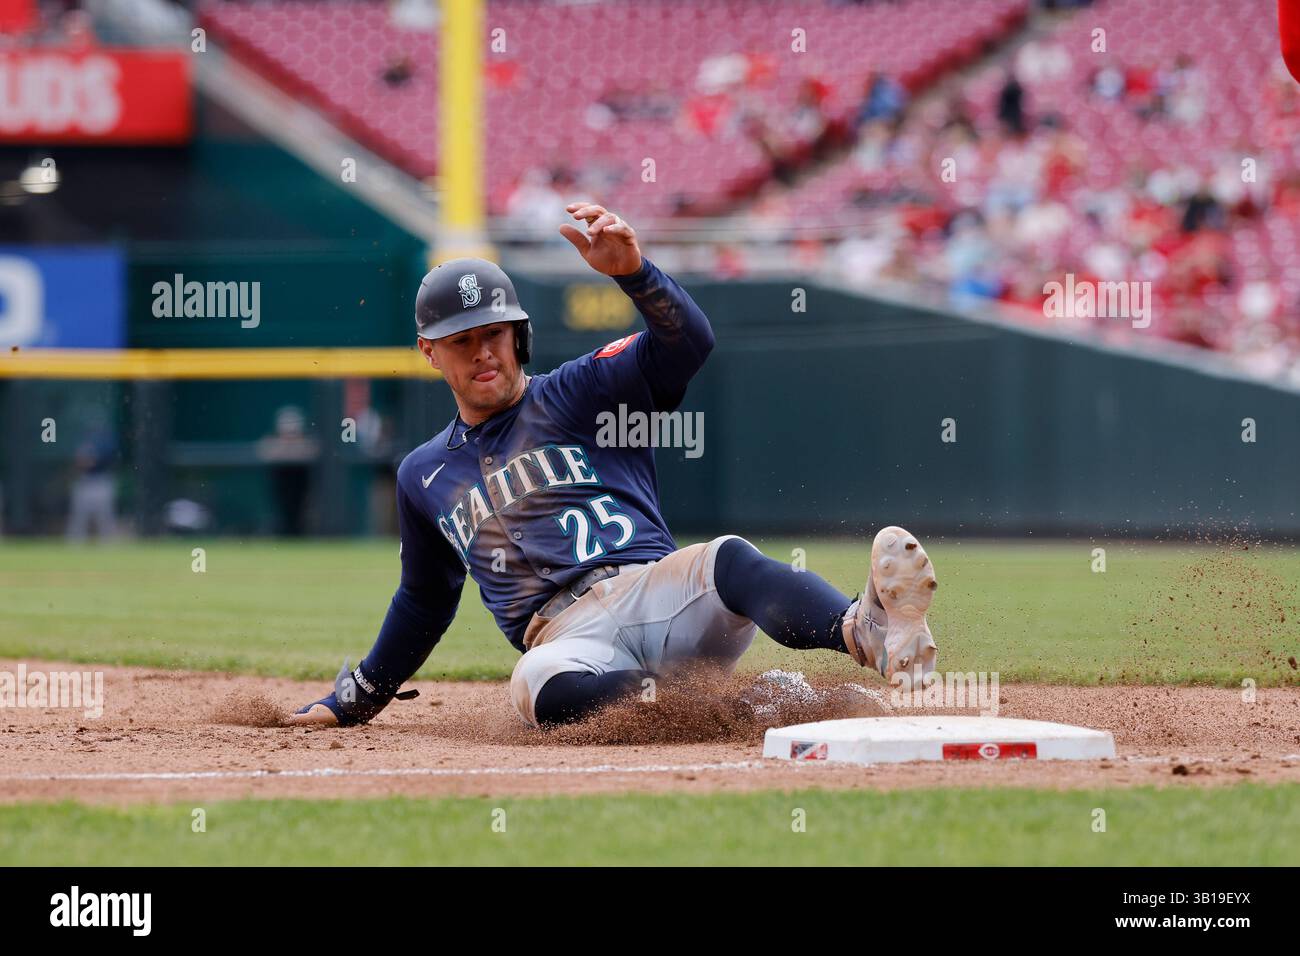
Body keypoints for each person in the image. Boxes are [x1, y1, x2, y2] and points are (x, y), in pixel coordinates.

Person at [290, 201, 939, 729]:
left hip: (653, 591)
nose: (484, 353)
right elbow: (424, 601)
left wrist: (635, 274)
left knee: (728, 559)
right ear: (430, 353)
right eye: (464, 341)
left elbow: (688, 346)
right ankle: (739, 706)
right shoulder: (423, 475)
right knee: (536, 685)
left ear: (517, 334)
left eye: (495, 333)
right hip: (565, 636)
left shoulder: (579, 390)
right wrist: (358, 695)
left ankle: (866, 629)